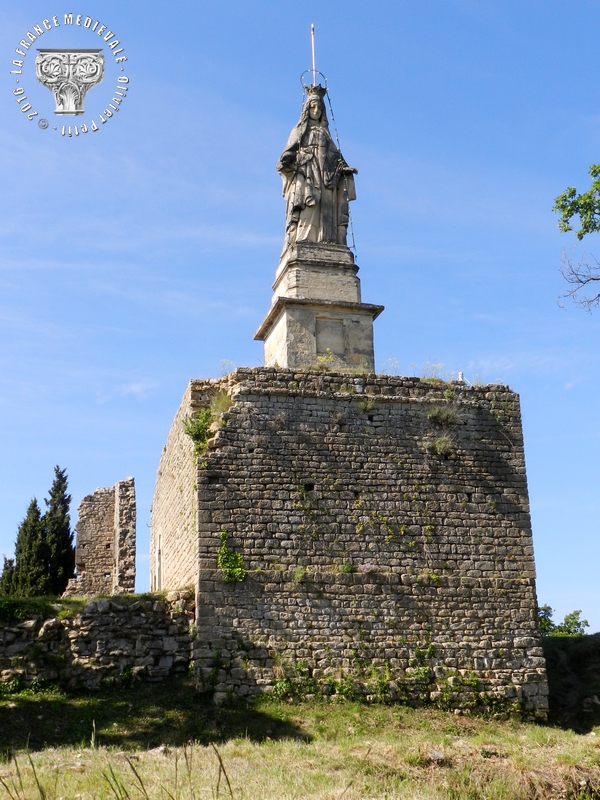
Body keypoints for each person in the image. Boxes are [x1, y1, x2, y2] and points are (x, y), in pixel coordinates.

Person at [277, 85, 357, 253]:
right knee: (309, 205)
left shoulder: (325, 134)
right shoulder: (299, 131)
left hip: (325, 179)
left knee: (324, 208)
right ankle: (302, 239)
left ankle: (326, 240)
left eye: (319, 108)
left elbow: (336, 157)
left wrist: (344, 169)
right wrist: (291, 160)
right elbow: (288, 154)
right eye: (313, 107)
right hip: (306, 174)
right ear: (307, 109)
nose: (316, 111)